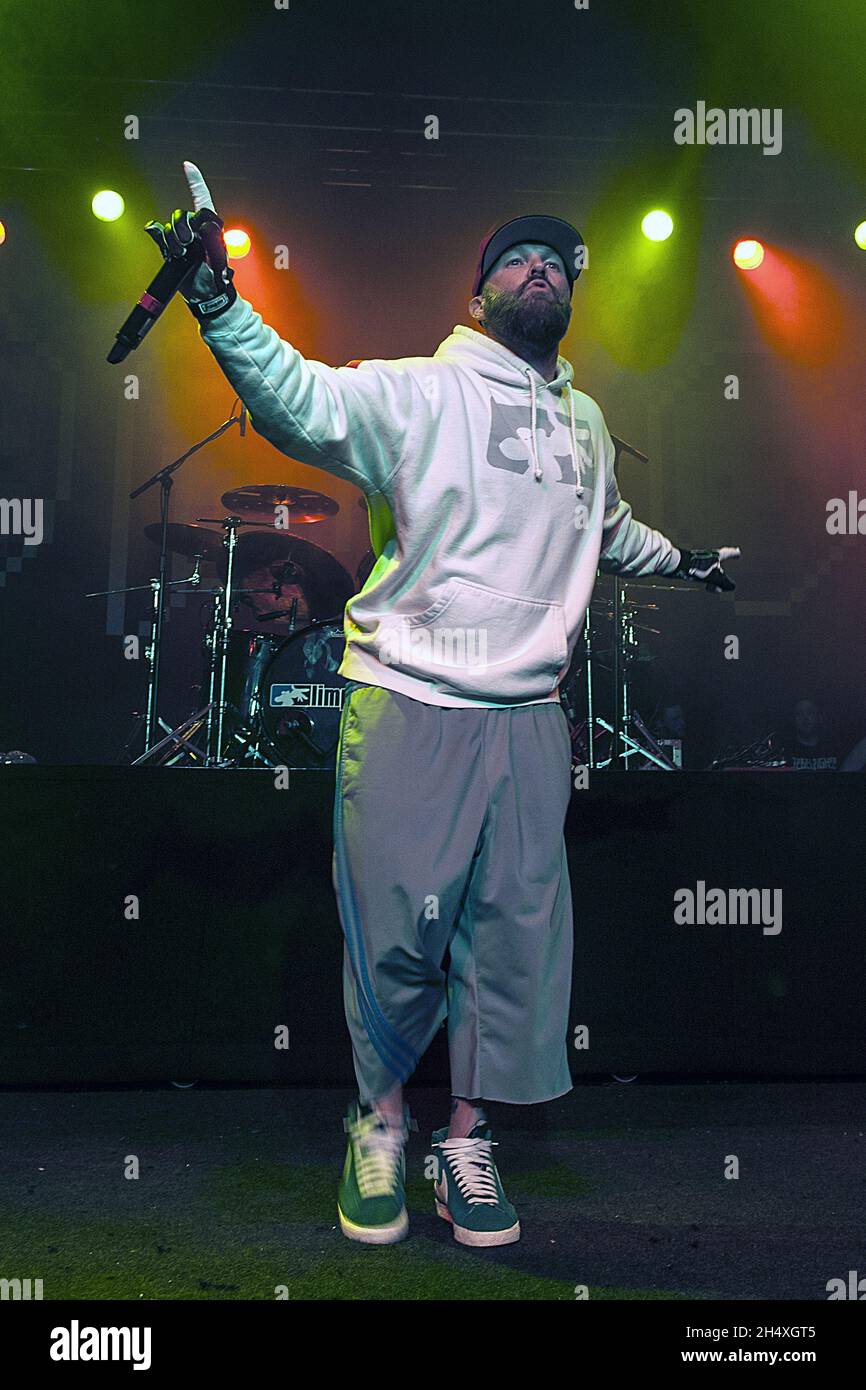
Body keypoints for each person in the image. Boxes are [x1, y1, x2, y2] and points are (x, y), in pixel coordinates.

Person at [148, 162, 741, 1248]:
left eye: (555, 261)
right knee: (394, 940)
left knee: (508, 945)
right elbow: (300, 397)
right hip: (410, 698)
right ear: (477, 296)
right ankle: (375, 1123)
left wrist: (687, 563)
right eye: (515, 257)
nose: (537, 270)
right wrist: (219, 300)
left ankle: (463, 1141)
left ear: (571, 293)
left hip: (528, 719)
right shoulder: (416, 391)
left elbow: (609, 532)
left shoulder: (590, 421)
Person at [781, 698, 839, 771]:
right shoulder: (785, 752)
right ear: (793, 720)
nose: (805, 718)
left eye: (809, 713)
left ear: (819, 717)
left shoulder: (834, 748)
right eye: (799, 714)